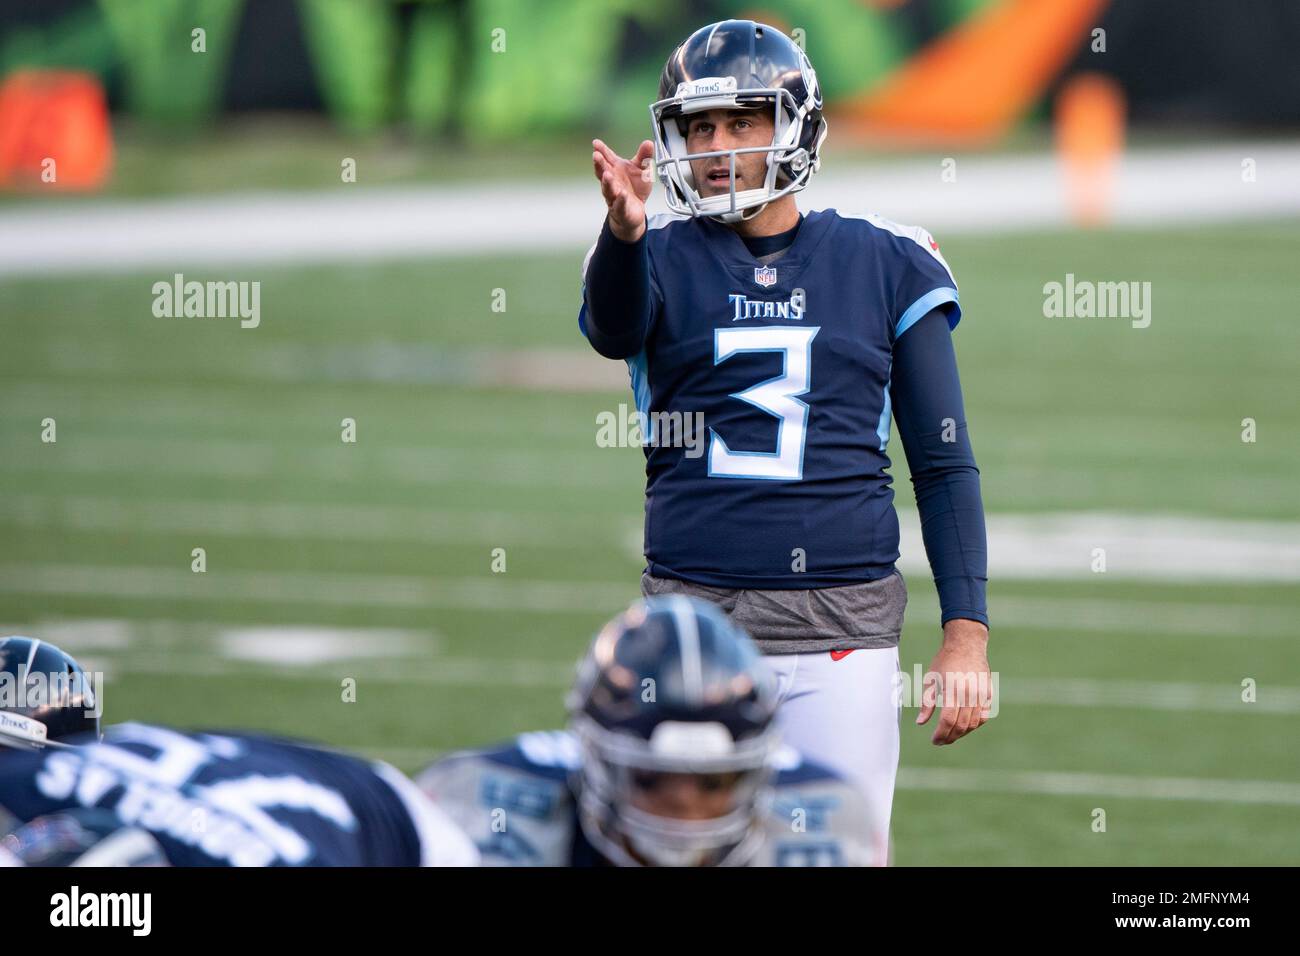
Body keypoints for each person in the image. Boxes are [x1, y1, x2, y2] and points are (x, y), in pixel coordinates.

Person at [580, 19, 993, 861]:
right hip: (694, 630)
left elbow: (942, 461)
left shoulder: (888, 260)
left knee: (829, 857)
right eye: (700, 128)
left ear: (794, 125)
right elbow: (611, 328)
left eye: (743, 122)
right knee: (669, 851)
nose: (720, 146)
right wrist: (621, 232)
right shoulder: (653, 257)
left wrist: (966, 634)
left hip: (841, 634)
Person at [417, 596, 874, 866]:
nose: (683, 806)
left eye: (713, 782)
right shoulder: (492, 810)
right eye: (652, 780)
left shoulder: (821, 826)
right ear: (596, 760)